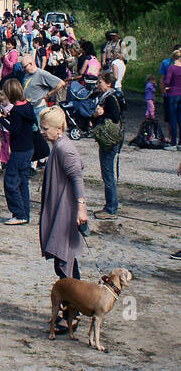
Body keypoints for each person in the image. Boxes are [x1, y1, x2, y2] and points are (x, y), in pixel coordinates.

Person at [38, 108, 87, 285]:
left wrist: (81, 209)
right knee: (63, 261)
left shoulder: (65, 149)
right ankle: (70, 308)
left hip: (66, 211)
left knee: (64, 259)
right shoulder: (58, 146)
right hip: (60, 207)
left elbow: (77, 178)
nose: (42, 132)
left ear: (59, 128)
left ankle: (72, 307)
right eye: (42, 128)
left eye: (46, 128)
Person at [0, 78, 36, 225]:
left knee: (11, 182)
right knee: (23, 183)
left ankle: (19, 213)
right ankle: (25, 213)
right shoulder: (27, 106)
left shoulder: (16, 111)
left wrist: (1, 119)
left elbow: (15, 130)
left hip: (19, 150)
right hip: (28, 148)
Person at [91, 69, 125, 221]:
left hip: (109, 140)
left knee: (108, 175)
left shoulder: (110, 98)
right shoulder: (112, 96)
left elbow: (115, 117)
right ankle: (109, 205)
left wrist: (100, 114)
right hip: (111, 140)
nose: (98, 85)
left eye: (100, 82)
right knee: (107, 174)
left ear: (108, 83)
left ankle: (111, 209)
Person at [165, 49, 181, 149]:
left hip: (173, 94)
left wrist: (167, 86)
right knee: (180, 119)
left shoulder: (172, 67)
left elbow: (167, 80)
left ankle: (173, 142)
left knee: (173, 119)